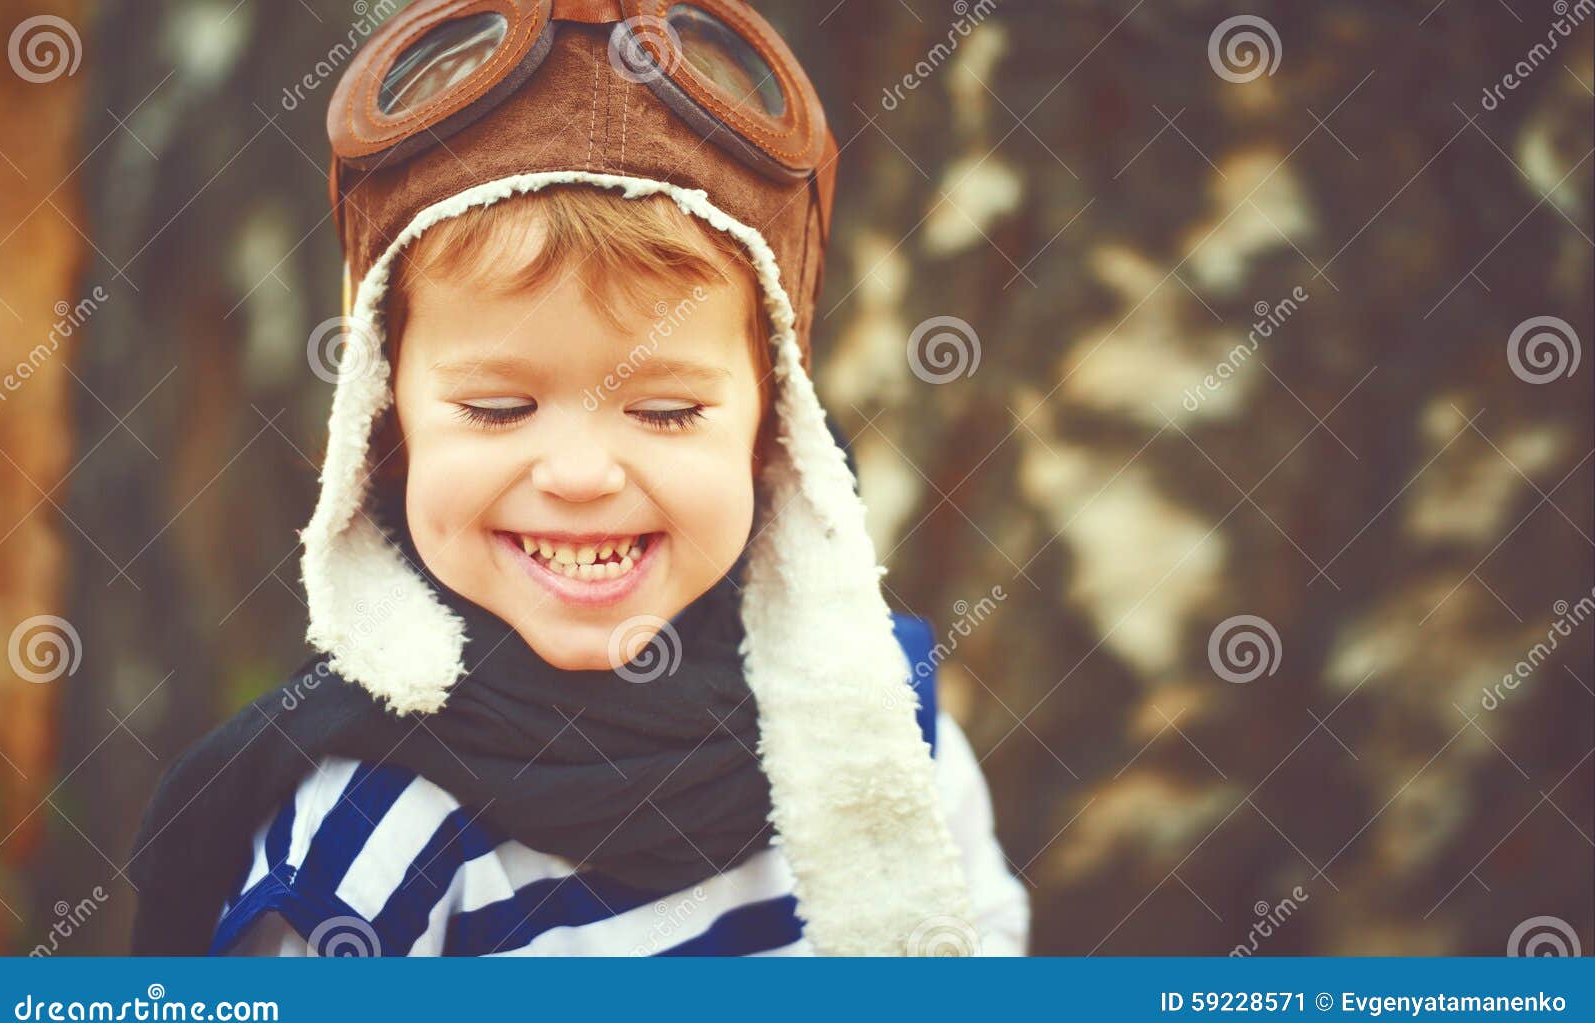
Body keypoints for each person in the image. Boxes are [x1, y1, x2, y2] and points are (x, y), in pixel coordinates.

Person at [128, 0, 1028, 957]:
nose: (580, 474)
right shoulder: (366, 849)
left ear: (776, 430)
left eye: (668, 411)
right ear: (386, 426)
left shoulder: (883, 727)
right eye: (498, 409)